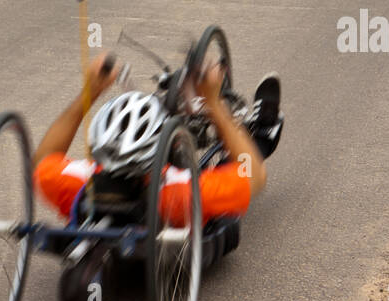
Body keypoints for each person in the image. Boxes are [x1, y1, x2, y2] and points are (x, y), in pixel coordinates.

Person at [32, 52, 283, 227]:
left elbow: (43, 162)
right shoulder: (181, 193)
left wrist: (90, 92)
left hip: (105, 209)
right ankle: (263, 132)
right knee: (231, 163)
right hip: (172, 210)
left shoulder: (76, 185)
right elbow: (255, 176)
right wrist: (215, 104)